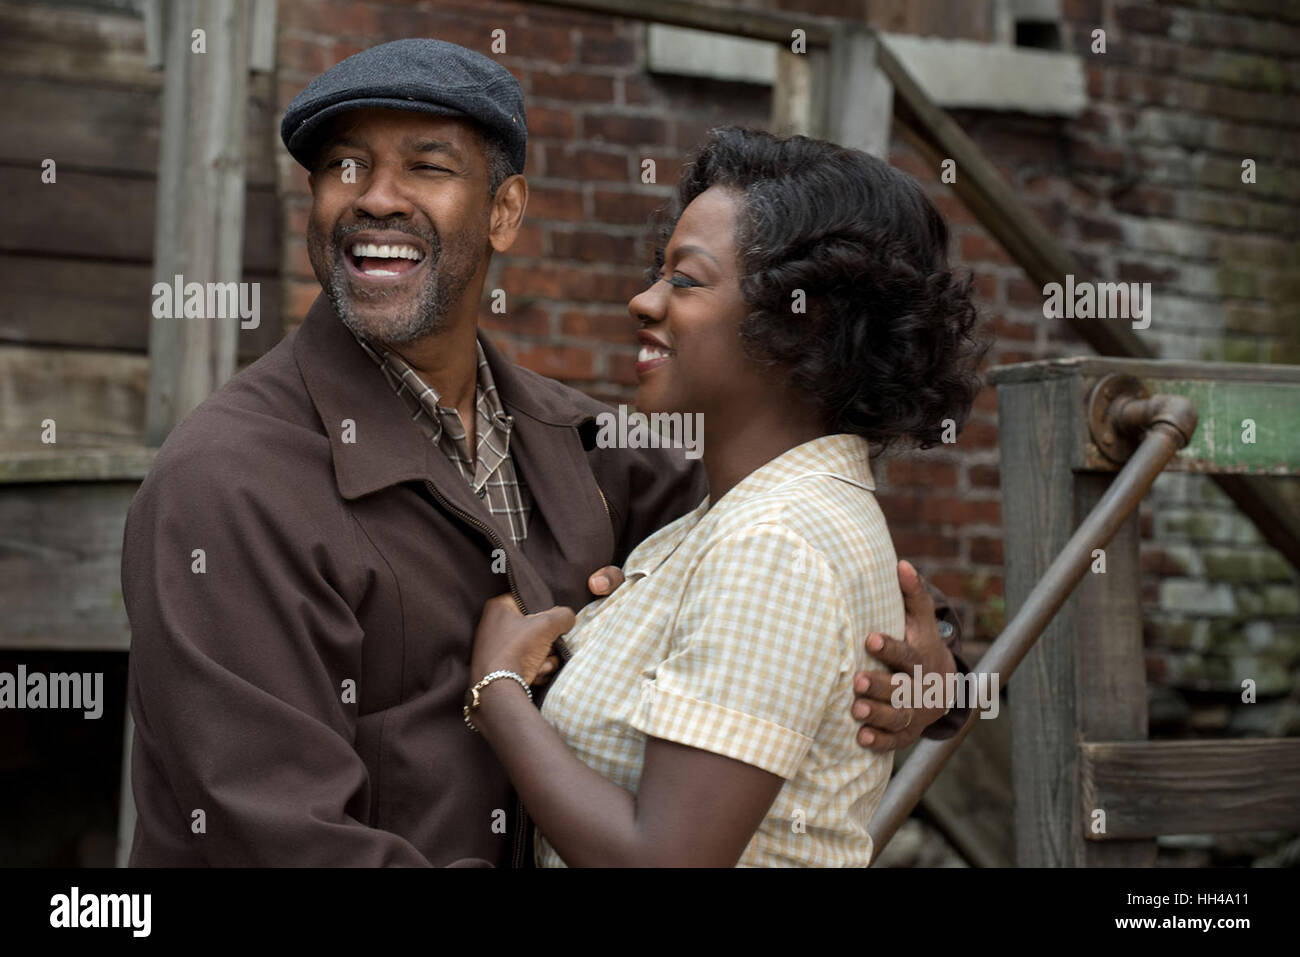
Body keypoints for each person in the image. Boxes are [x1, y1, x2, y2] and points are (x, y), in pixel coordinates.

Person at [121, 38, 969, 867]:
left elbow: (786, 561)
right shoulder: (229, 483)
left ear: (504, 211)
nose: (376, 197)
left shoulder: (592, 444)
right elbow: (277, 837)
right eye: (344, 167)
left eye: (426, 166)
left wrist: (929, 673)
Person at [466, 128, 985, 867]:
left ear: (800, 321)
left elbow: (667, 859)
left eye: (685, 279)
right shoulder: (723, 518)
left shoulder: (774, 541)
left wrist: (497, 691)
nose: (642, 300)